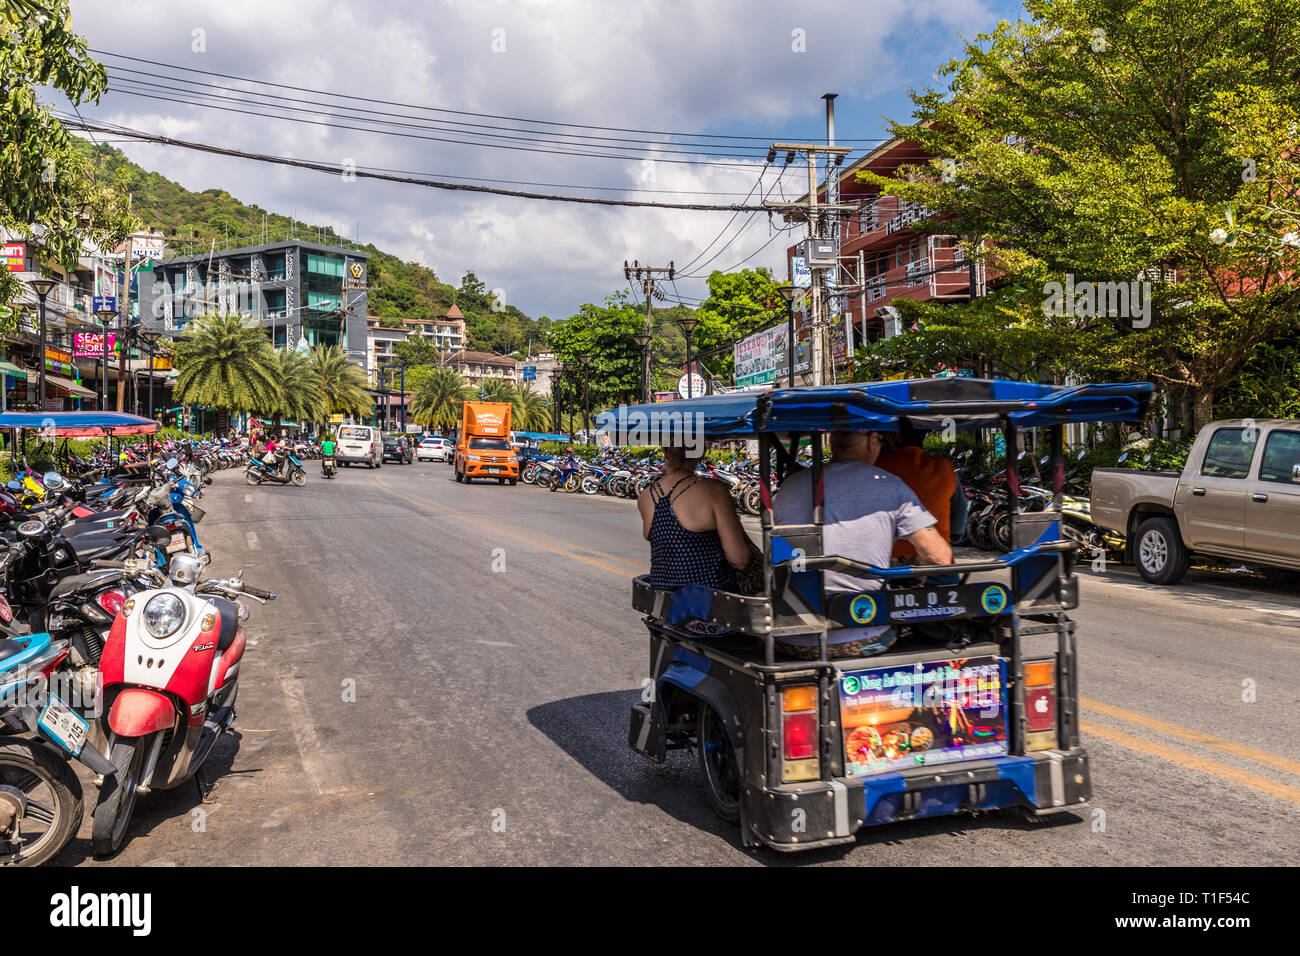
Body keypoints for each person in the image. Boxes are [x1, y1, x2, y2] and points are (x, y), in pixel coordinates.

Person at [772, 430, 953, 659]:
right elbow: (939, 557)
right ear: (872, 441)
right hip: (862, 637)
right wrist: (919, 569)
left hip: (789, 638)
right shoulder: (890, 485)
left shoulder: (791, 484)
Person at [638, 444, 751, 594]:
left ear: (664, 451)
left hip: (663, 597)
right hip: (709, 599)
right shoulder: (714, 491)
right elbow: (739, 560)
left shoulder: (646, 496)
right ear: (701, 453)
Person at [874, 420, 959, 563]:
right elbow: (958, 521)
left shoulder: (876, 468)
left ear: (893, 436)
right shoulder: (944, 467)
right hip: (938, 567)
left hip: (889, 567)